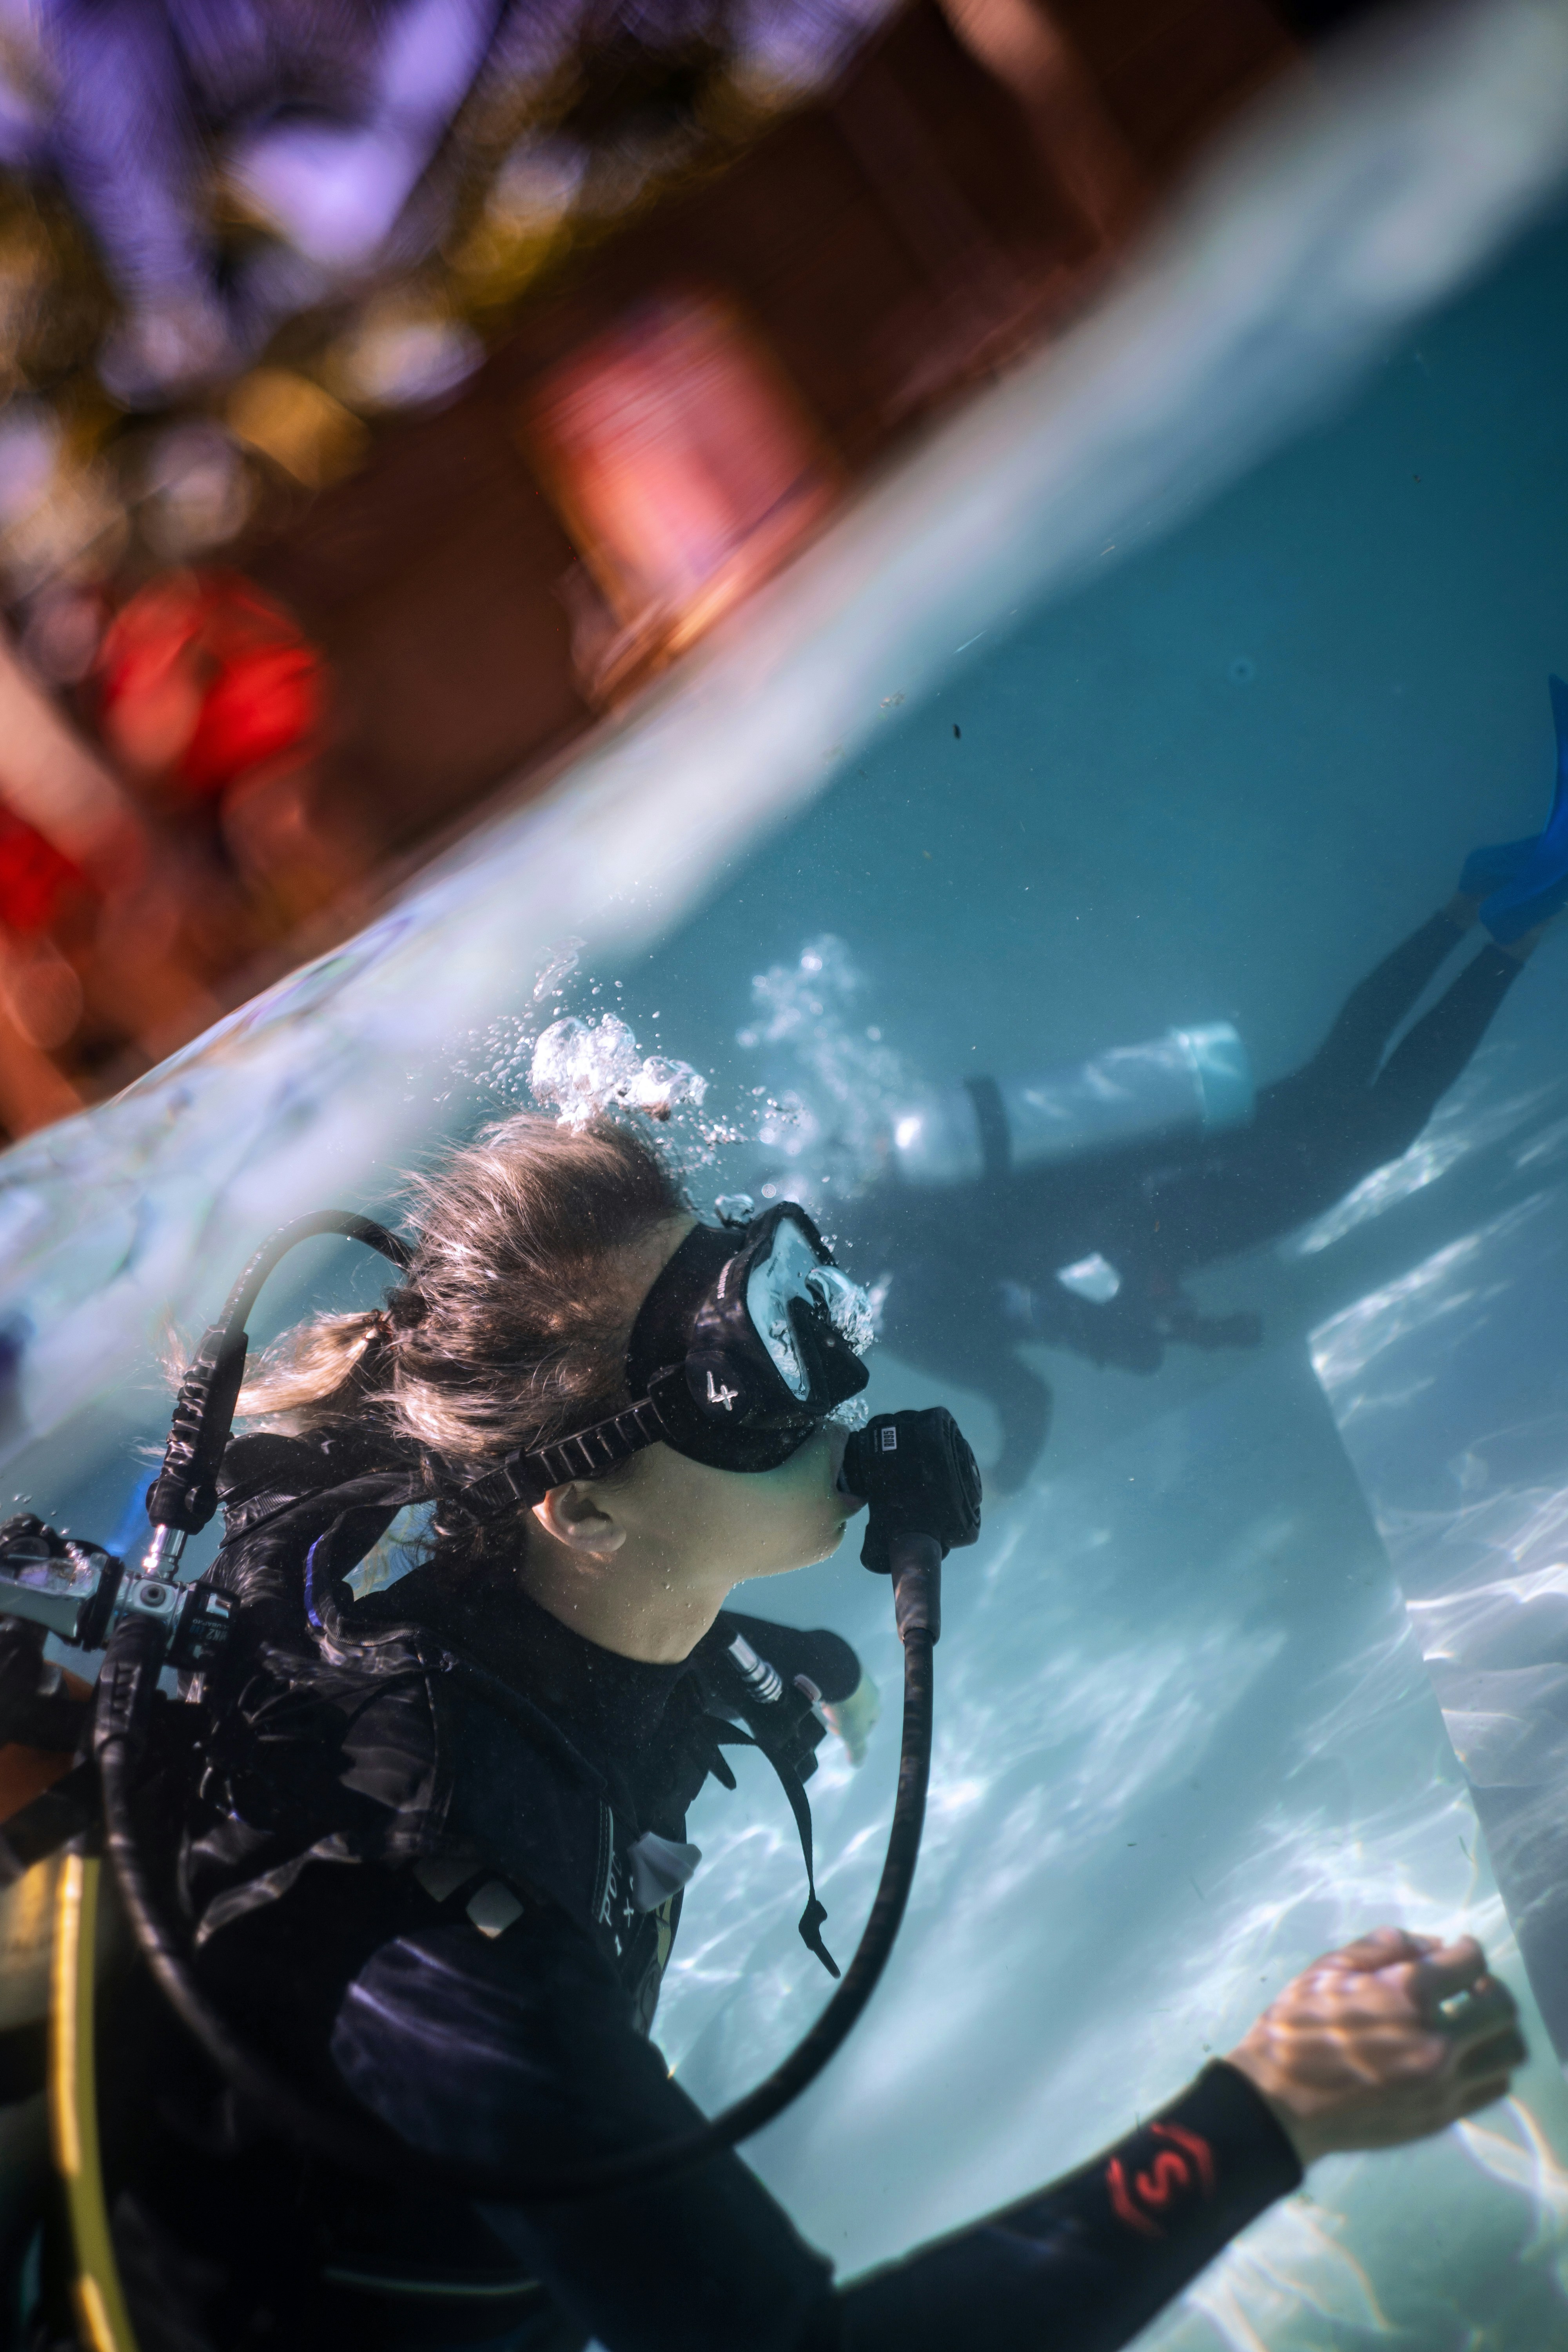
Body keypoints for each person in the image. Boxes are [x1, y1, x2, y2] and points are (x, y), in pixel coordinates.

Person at [56, 1113, 1522, 2352]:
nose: (832, 1366)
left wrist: (785, 1660)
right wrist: (1268, 2115)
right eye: (742, 1368)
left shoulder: (595, 1617)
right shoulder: (431, 1920)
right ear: (582, 1508)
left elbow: (655, 1655)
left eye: (783, 1294)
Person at [838, 682, 1568, 1493]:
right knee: (1334, 1072)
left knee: (1383, 1124)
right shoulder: (895, 1198)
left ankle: (1521, 926)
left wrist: (1007, 1475)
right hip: (1161, 1155)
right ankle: (1465, 902)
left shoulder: (899, 1316)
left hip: (1181, 1218)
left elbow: (1029, 1380)